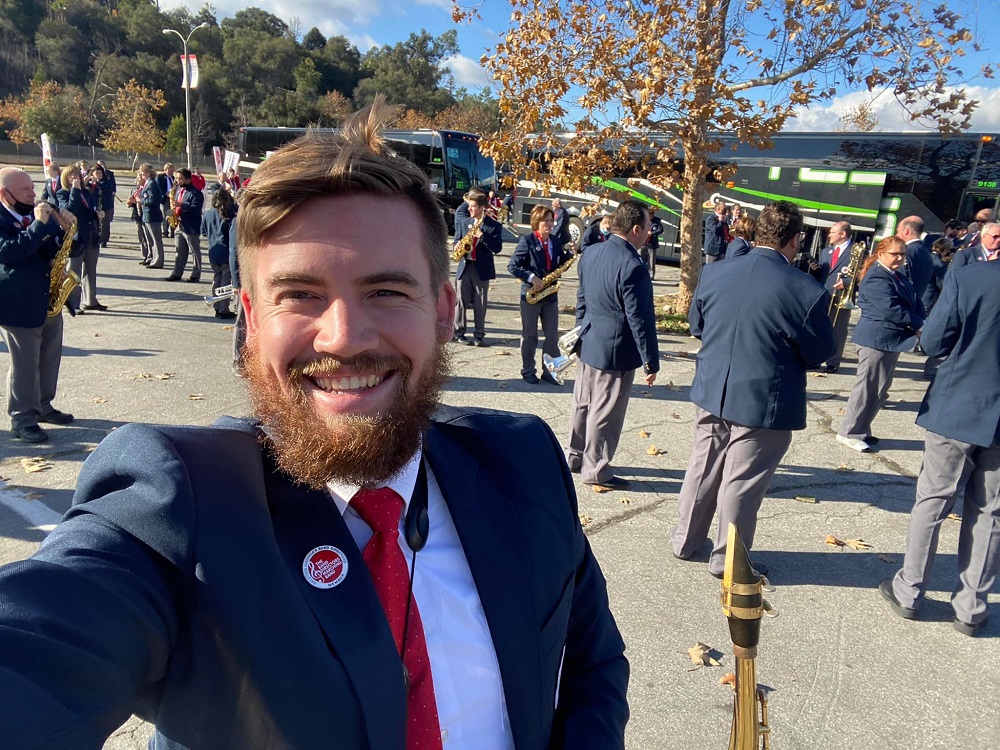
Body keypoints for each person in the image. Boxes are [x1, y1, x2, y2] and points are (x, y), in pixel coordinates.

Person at [0, 100, 629, 749]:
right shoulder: (177, 506)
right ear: (250, 319)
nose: (345, 337)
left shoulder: (523, 460)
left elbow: (593, 662)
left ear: (443, 311)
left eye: (387, 292)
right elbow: (37, 647)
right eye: (299, 295)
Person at [671, 201, 835, 576]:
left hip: (714, 386)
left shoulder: (716, 274)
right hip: (765, 398)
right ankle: (727, 560)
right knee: (741, 482)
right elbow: (821, 351)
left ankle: (686, 539)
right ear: (796, 240)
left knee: (703, 466)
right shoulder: (804, 290)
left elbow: (697, 324)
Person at [880, 253, 1000, 637]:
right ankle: (971, 606)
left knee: (932, 501)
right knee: (990, 513)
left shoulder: (970, 276)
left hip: (958, 403)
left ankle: (910, 589)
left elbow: (933, 341)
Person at [566, 200, 659, 489]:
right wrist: (650, 361)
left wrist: (580, 330)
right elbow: (640, 319)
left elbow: (582, 298)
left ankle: (574, 456)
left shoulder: (591, 252)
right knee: (604, 413)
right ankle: (596, 469)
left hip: (590, 340)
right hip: (616, 349)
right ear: (635, 229)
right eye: (647, 228)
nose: (649, 234)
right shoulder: (634, 266)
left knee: (583, 403)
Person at [0, 167, 75, 443]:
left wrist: (67, 231)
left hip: (47, 298)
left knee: (49, 357)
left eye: (33, 188)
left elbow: (62, 250)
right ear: (4, 195)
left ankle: (43, 405)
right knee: (24, 365)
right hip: (16, 302)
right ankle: (22, 418)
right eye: (25, 190)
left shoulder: (38, 214)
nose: (33, 195)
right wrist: (38, 226)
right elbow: (11, 252)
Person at [836, 237, 925, 452]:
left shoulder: (896, 275)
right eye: (895, 254)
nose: (900, 258)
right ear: (881, 253)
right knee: (867, 388)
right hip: (875, 340)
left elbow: (914, 300)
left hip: (890, 340)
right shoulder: (877, 276)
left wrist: (922, 318)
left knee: (879, 390)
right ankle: (849, 432)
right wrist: (919, 324)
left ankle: (862, 429)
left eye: (903, 254)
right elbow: (890, 309)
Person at [508, 204, 574, 385]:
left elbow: (560, 263)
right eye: (546, 221)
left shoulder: (555, 241)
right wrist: (531, 277)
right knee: (530, 335)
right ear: (537, 222)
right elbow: (513, 266)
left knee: (552, 336)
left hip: (550, 295)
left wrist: (571, 254)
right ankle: (528, 370)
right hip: (531, 295)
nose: (550, 224)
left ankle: (550, 371)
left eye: (552, 220)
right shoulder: (527, 241)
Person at [452, 189, 503, 347]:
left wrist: (482, 236)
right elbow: (456, 240)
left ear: (481, 208)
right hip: (465, 265)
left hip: (481, 269)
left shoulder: (493, 226)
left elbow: (497, 248)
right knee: (461, 301)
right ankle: (459, 332)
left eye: (473, 206)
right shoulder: (464, 222)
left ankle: (479, 335)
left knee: (481, 303)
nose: (469, 209)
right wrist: (457, 245)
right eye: (469, 206)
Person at [57, 165, 106, 313]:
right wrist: (75, 190)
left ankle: (90, 300)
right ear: (65, 178)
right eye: (71, 176)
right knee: (74, 271)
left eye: (77, 175)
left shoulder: (86, 192)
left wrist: (98, 214)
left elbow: (88, 211)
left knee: (90, 269)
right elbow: (71, 209)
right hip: (76, 238)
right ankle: (73, 303)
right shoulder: (62, 193)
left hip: (91, 235)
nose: (75, 178)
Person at [812, 220, 857, 373]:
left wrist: (846, 282)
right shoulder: (826, 252)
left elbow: (861, 273)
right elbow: (823, 274)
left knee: (838, 329)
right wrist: (815, 269)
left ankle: (833, 361)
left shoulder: (855, 251)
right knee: (819, 326)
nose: (829, 235)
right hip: (824, 294)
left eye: (832, 232)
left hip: (841, 296)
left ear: (843, 234)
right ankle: (816, 358)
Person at [202, 187, 237, 319]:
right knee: (225, 281)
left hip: (213, 251)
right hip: (226, 252)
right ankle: (223, 309)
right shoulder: (230, 215)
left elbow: (204, 232)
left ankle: (217, 305)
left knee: (217, 279)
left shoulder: (207, 214)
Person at [166, 167, 205, 283]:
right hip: (179, 224)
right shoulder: (177, 190)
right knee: (179, 250)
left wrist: (181, 205)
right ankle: (177, 273)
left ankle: (195, 274)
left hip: (191, 225)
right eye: (176, 178)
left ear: (188, 180)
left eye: (181, 179)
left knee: (194, 251)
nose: (178, 181)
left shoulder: (196, 193)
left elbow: (196, 209)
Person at [897, 215, 931, 300]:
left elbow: (899, 280)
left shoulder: (907, 251)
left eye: (898, 231)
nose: (896, 235)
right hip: (915, 303)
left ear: (906, 231)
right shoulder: (926, 252)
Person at [139, 163, 166, 268]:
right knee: (150, 239)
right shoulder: (147, 183)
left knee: (156, 240)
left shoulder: (151, 184)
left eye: (144, 171)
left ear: (150, 173)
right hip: (147, 215)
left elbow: (153, 200)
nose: (142, 174)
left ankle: (158, 261)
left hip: (152, 215)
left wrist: (141, 201)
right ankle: (152, 258)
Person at [93, 163, 116, 248]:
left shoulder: (106, 182)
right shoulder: (90, 183)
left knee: (105, 224)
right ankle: (97, 238)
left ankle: (104, 240)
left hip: (106, 206)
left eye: (100, 173)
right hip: (95, 206)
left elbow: (108, 190)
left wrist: (98, 184)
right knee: (96, 223)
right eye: (97, 173)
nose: (99, 175)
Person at [157, 162, 176, 239]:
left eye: (173, 171)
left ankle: (173, 231)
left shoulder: (173, 178)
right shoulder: (160, 177)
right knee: (167, 214)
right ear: (166, 169)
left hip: (173, 199)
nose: (172, 172)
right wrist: (165, 193)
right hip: (166, 198)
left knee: (173, 215)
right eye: (171, 170)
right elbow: (158, 187)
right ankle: (165, 231)